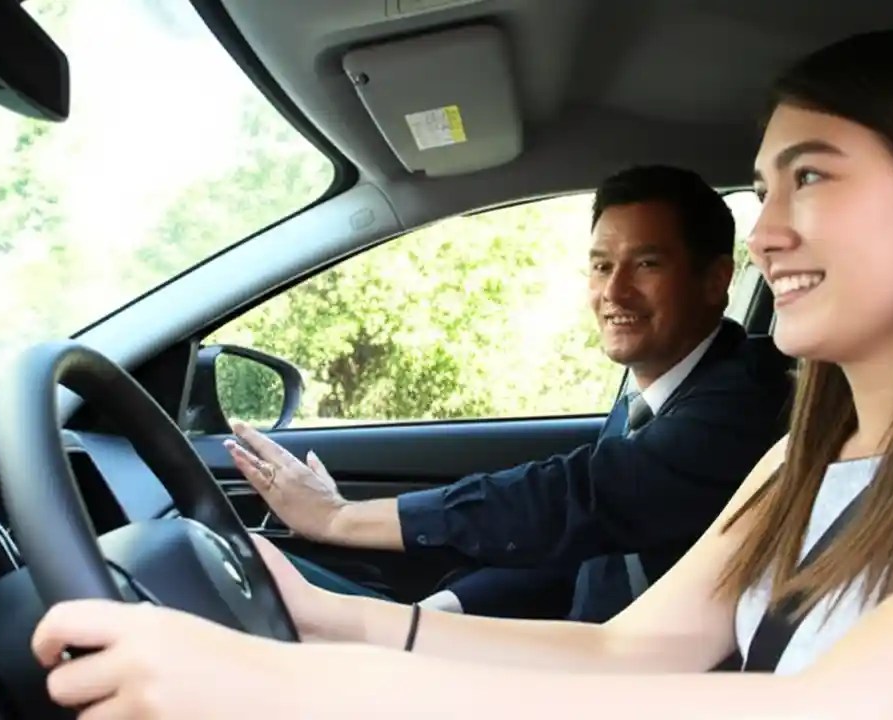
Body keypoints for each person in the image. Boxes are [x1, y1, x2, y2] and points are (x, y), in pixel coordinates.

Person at [30, 29, 893, 718]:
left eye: (806, 178)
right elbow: (628, 659)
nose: (766, 233)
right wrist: (336, 621)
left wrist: (288, 689)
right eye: (761, 189)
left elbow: (826, 707)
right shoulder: (806, 456)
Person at [277, 165, 792, 623]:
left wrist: (340, 519)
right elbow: (574, 551)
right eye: (601, 266)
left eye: (647, 264)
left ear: (715, 280)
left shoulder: (742, 403)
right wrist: (438, 613)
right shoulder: (648, 400)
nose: (614, 292)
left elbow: (575, 500)